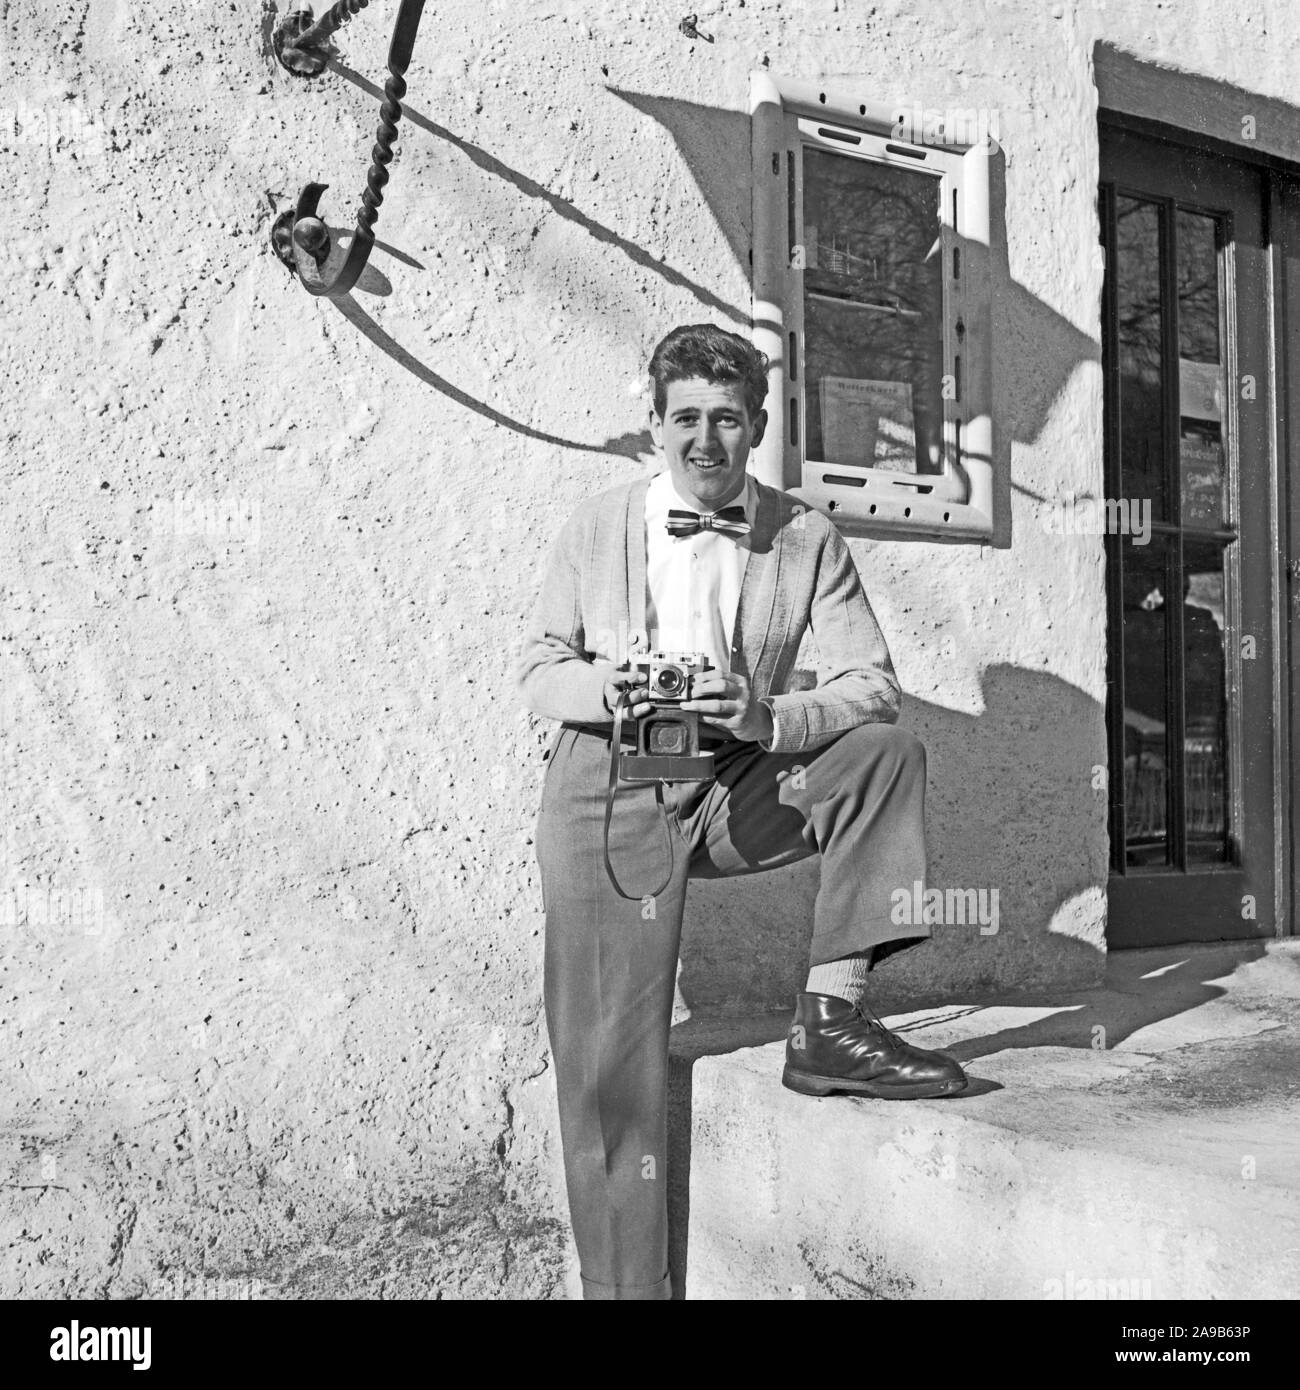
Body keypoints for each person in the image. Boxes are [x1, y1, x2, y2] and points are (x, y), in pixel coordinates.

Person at [516, 323, 967, 1301]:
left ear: (757, 425)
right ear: (654, 424)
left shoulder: (804, 536)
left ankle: (830, 1023)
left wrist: (771, 714)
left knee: (881, 757)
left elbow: (871, 689)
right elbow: (539, 671)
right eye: (685, 418)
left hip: (733, 781)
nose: (704, 440)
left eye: (727, 419)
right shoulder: (596, 526)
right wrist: (614, 687)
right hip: (609, 786)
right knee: (611, 1074)